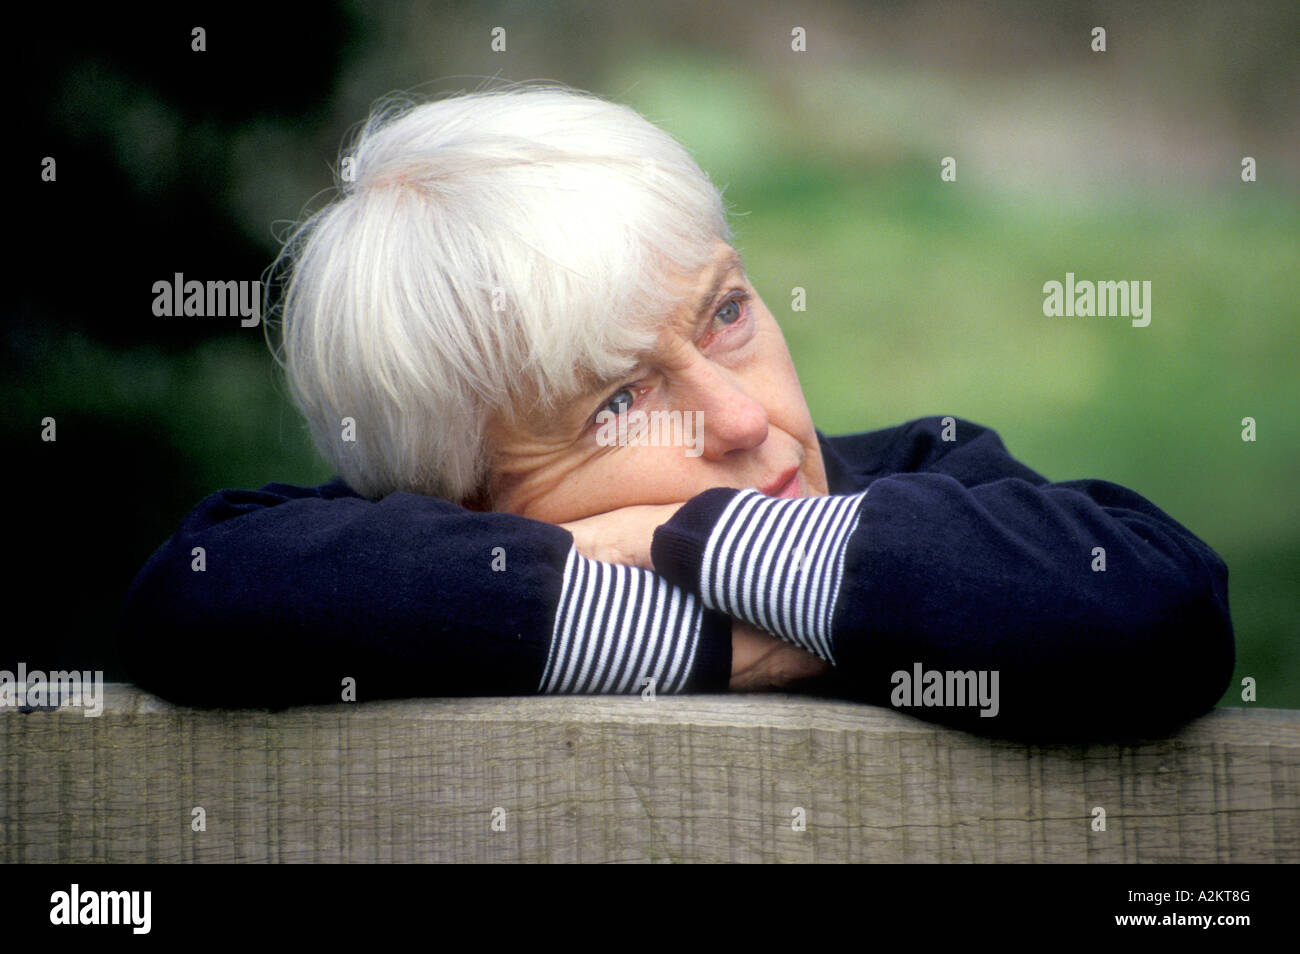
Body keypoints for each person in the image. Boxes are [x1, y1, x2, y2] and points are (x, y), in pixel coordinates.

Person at [118, 84, 1234, 741]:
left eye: (725, 315)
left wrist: (678, 541)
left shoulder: (925, 473)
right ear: (466, 498)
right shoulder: (387, 547)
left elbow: (1160, 614)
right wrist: (691, 633)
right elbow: (189, 598)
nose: (742, 420)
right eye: (617, 400)